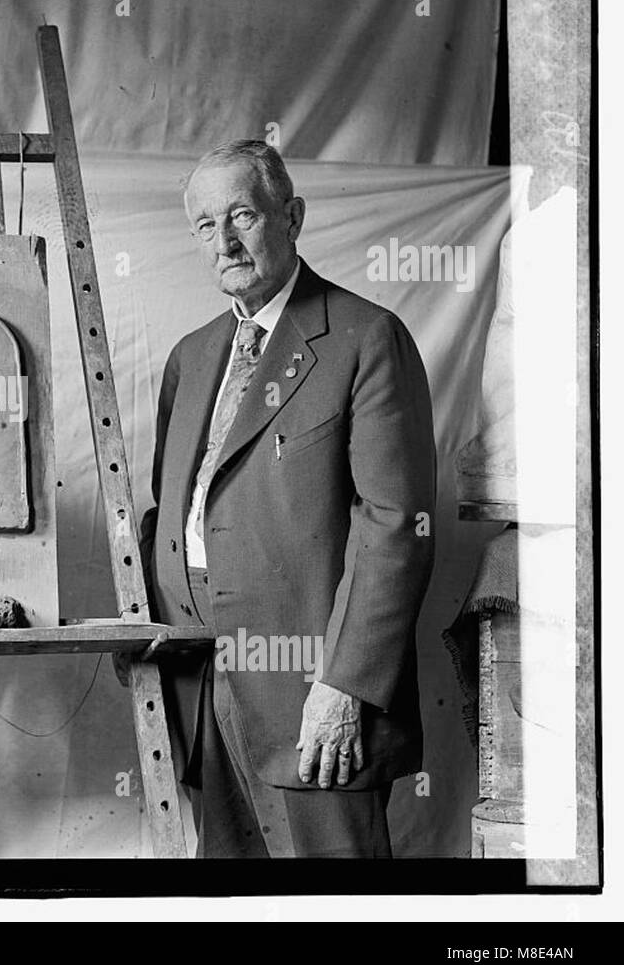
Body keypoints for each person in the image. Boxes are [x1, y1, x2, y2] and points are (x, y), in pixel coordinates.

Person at [139, 139, 435, 857]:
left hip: (311, 691)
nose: (225, 241)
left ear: (291, 216)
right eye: (206, 225)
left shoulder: (366, 338)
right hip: (204, 687)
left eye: (241, 214)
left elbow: (396, 526)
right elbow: (174, 510)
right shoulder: (192, 355)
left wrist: (346, 686)